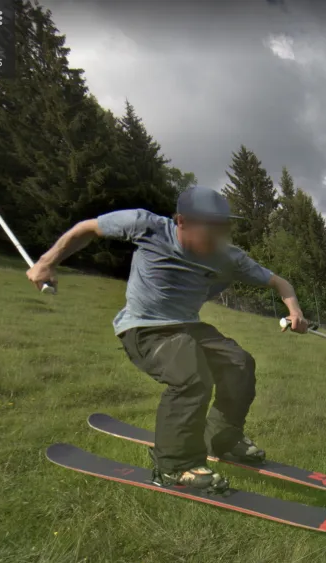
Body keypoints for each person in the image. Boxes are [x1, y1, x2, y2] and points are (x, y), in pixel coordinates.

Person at [26, 186, 309, 491]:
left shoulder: (227, 257)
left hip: (188, 326)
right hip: (144, 328)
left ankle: (222, 439)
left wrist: (295, 312)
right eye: (208, 227)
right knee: (191, 376)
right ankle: (175, 466)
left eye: (221, 227)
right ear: (181, 221)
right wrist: (47, 262)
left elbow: (280, 282)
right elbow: (88, 228)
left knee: (239, 364)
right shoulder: (147, 226)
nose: (216, 236)